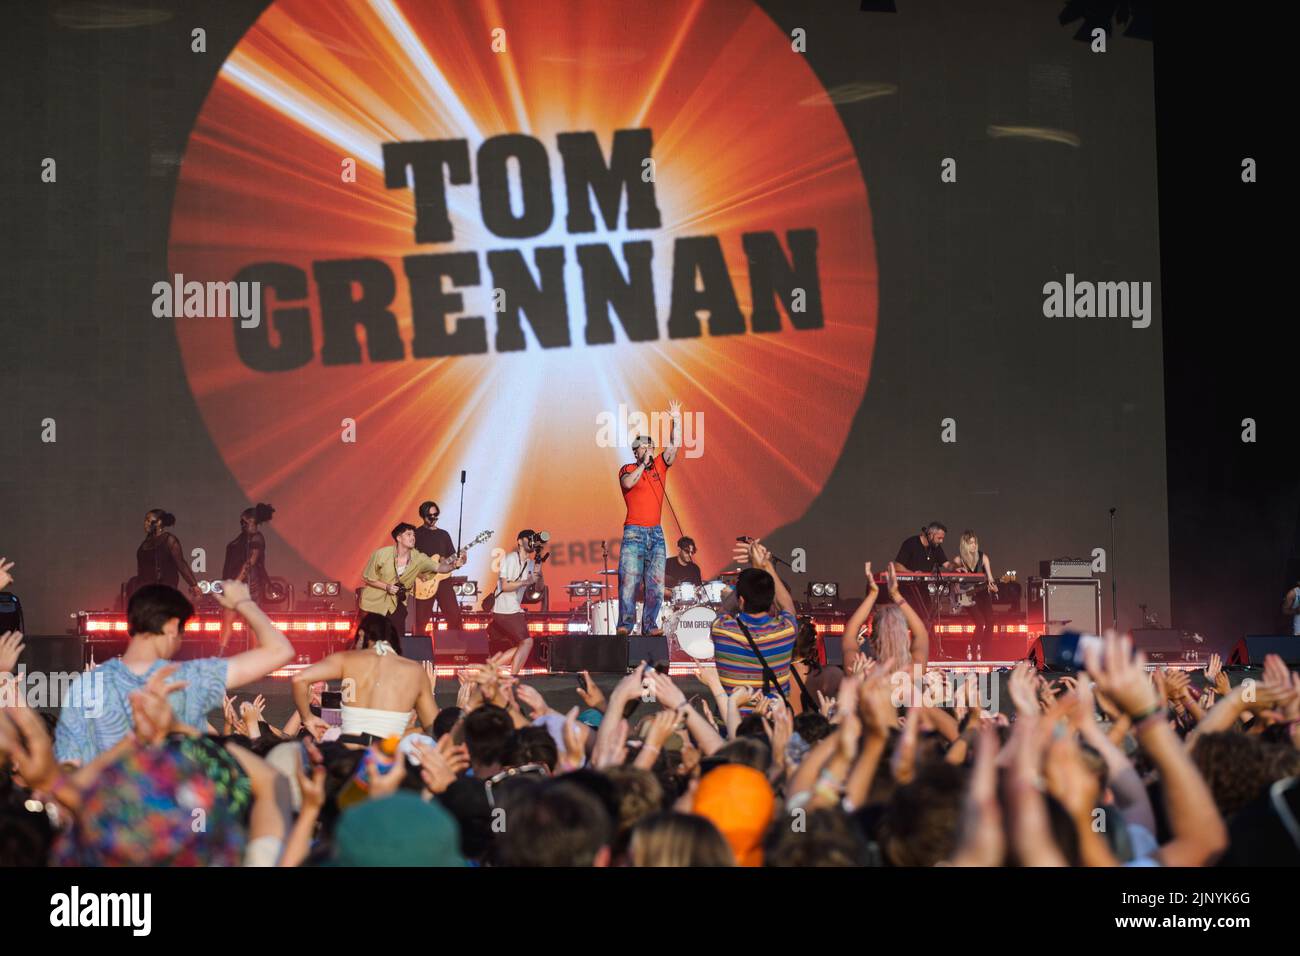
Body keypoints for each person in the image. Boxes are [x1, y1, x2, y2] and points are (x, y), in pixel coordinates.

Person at [53, 581, 295, 764]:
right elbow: (280, 650)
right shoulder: (188, 678)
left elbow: (68, 764)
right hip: (178, 822)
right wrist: (244, 603)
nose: (180, 642)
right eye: (182, 633)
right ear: (171, 627)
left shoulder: (87, 684)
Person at [291, 613, 437, 744]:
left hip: (348, 753)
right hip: (386, 758)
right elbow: (433, 727)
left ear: (361, 635)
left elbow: (299, 679)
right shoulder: (415, 670)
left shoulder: (347, 659)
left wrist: (308, 719)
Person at [616, 401, 683, 635]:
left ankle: (650, 625)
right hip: (634, 532)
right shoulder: (627, 469)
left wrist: (676, 418)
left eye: (650, 446)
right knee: (629, 581)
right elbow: (628, 483)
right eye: (644, 447)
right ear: (636, 452)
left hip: (655, 532)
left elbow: (674, 445)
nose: (649, 450)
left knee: (656, 584)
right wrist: (643, 465)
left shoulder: (660, 467)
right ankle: (625, 625)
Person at [710, 539, 798, 706]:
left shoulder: (722, 630)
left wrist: (754, 572)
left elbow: (724, 611)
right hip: (776, 726)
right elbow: (787, 605)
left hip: (735, 726)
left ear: (741, 600)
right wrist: (765, 565)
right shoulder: (786, 631)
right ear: (772, 600)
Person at [358, 523, 443, 635]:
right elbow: (367, 577)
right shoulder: (381, 554)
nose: (412, 537)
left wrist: (454, 565)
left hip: (398, 603)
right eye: (408, 534)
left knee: (397, 638)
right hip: (374, 604)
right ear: (399, 538)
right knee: (372, 640)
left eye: (413, 535)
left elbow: (441, 567)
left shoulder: (418, 558)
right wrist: (386, 587)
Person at [218, 502, 275, 652]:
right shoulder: (241, 538)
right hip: (236, 582)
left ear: (251, 521)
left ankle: (254, 657)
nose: (242, 524)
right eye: (241, 521)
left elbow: (250, 562)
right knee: (227, 616)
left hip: (251, 584)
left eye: (244, 521)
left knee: (251, 622)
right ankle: (220, 654)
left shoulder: (257, 538)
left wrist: (235, 583)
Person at [412, 500, 468, 638]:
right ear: (422, 515)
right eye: (429, 515)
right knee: (421, 621)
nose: (433, 518)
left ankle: (453, 649)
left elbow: (452, 559)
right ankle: (420, 652)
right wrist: (418, 574)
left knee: (454, 616)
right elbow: (409, 560)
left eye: (435, 515)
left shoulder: (443, 535)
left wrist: (462, 560)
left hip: (444, 582)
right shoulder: (416, 534)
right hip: (423, 583)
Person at [490, 530, 544, 675]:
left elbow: (538, 588)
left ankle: (491, 668)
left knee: (523, 644)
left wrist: (539, 572)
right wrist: (526, 581)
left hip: (513, 608)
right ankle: (512, 677)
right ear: (520, 541)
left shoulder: (531, 563)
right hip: (505, 609)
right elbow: (506, 586)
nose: (532, 541)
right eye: (529, 538)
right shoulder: (509, 559)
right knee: (527, 642)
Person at [131, 509, 198, 599]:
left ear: (159, 522)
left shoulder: (169, 540)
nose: (145, 523)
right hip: (146, 592)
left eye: (148, 520)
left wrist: (194, 585)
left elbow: (181, 564)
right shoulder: (145, 543)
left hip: (164, 591)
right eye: (145, 520)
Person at [954, 531, 998, 652]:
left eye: (975, 542)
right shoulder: (959, 560)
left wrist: (994, 586)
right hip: (967, 596)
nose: (974, 545)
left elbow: (990, 578)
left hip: (982, 593)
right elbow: (954, 583)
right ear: (964, 544)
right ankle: (972, 650)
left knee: (990, 621)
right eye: (970, 543)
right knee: (980, 622)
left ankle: (986, 651)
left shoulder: (983, 558)